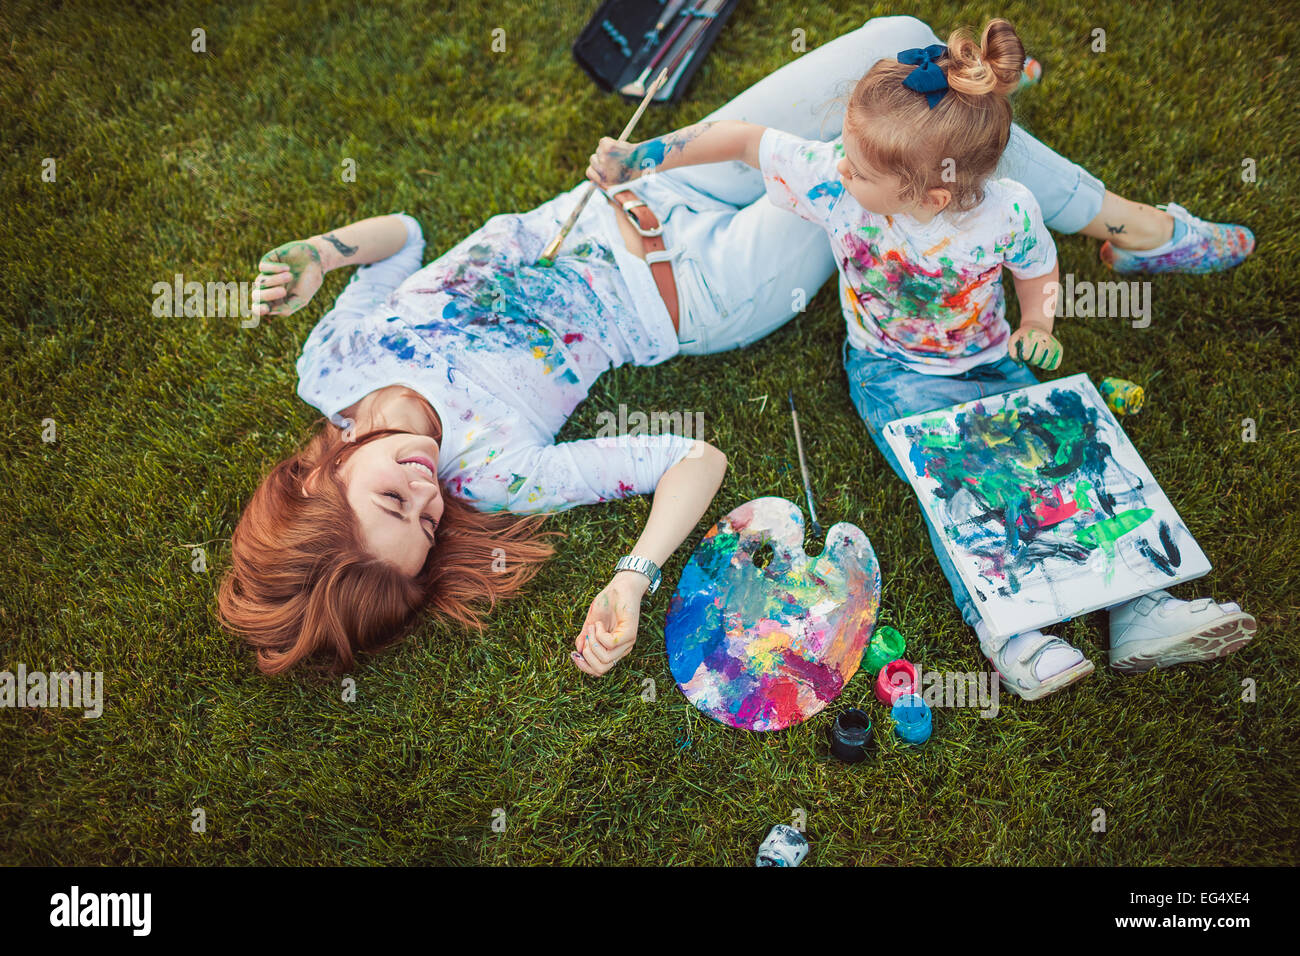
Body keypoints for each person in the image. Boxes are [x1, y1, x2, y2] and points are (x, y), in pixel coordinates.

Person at [222, 14, 1255, 681]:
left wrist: (319, 252)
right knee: (892, 139)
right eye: (427, 520)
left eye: (391, 500)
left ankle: (1113, 225)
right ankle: (1132, 227)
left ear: (317, 474)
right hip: (712, 285)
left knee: (896, 42)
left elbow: (398, 236)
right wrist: (632, 575)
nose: (426, 491)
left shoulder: (333, 362)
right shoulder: (490, 465)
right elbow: (692, 460)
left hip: (662, 189)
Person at [587, 17, 1257, 699]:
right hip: (895, 373)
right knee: (957, 486)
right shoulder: (833, 179)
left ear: (932, 195)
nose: (839, 163)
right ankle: (1012, 633)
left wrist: (1038, 319)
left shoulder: (1008, 212)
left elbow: (1037, 267)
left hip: (993, 361)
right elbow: (742, 138)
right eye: (845, 150)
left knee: (1069, 458)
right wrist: (646, 156)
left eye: (859, 165)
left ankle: (1140, 606)